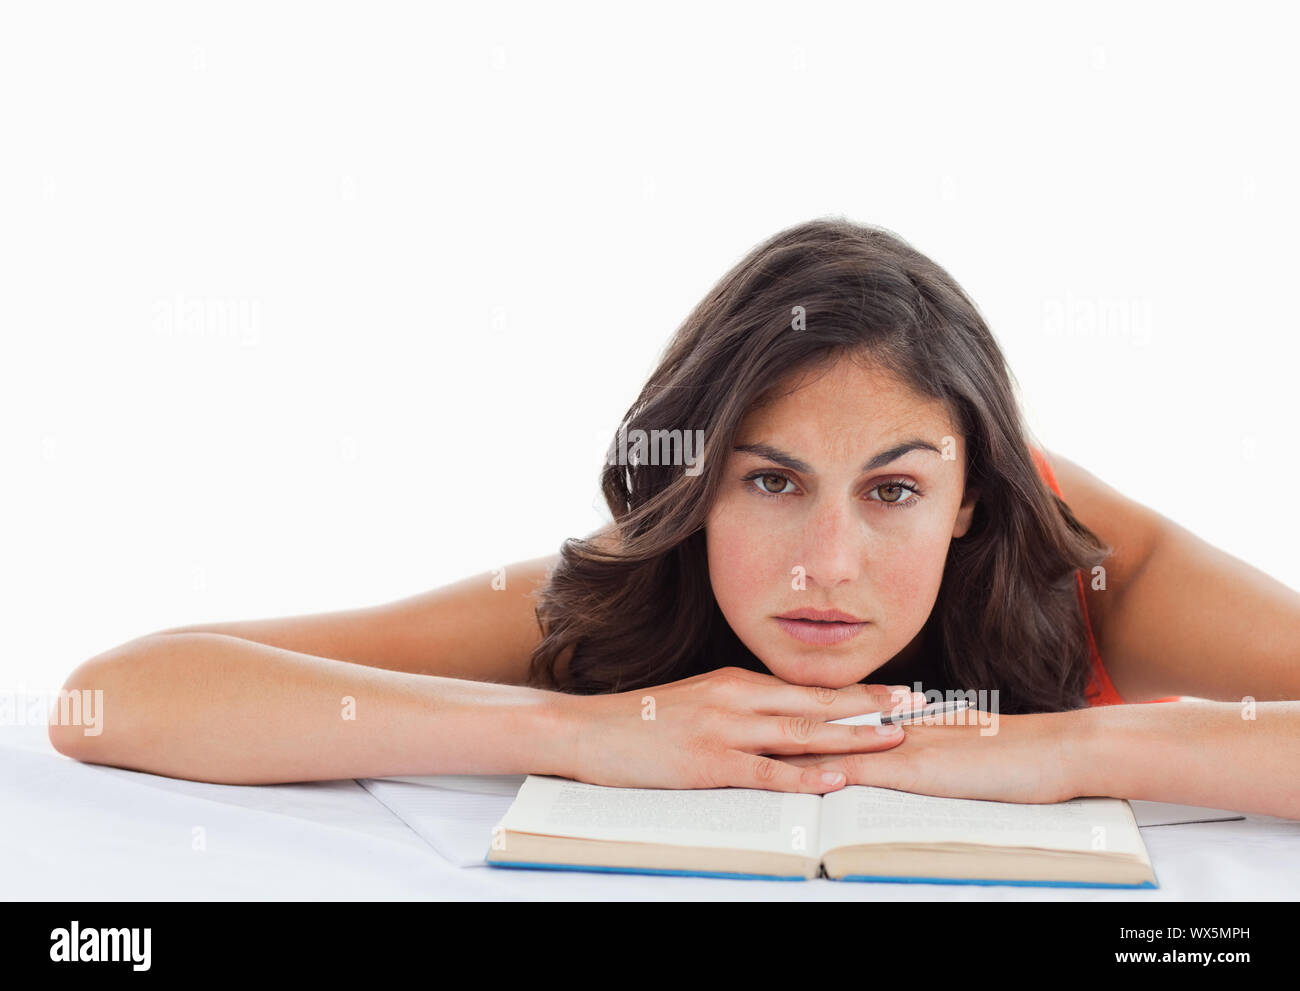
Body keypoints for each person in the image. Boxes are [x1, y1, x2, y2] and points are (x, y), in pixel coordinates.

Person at [49, 218, 1300, 819]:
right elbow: (116, 695)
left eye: (895, 490)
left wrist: (1078, 751)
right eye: (768, 481)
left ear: (974, 493)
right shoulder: (637, 590)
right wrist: (581, 730)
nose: (826, 564)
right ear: (693, 486)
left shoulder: (1084, 565)